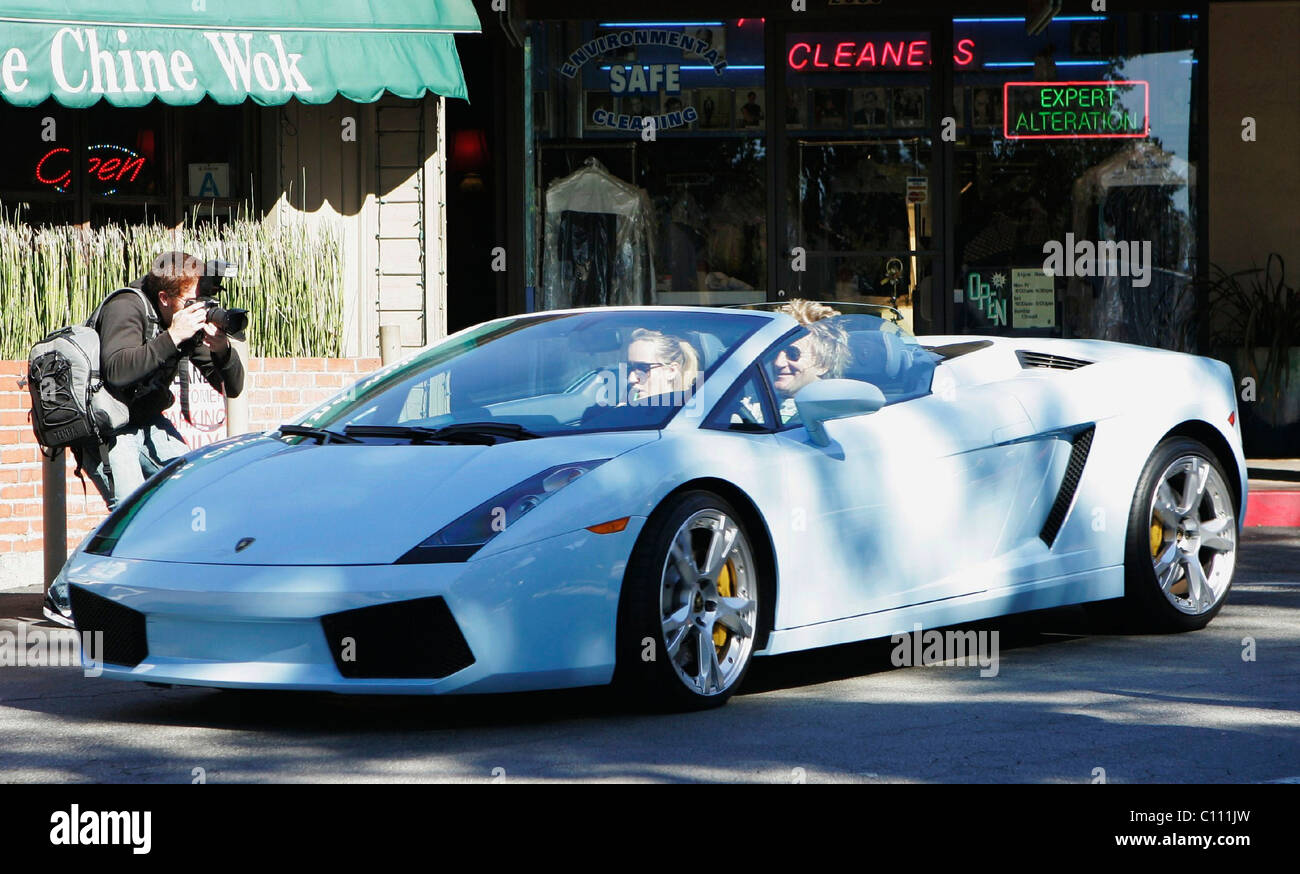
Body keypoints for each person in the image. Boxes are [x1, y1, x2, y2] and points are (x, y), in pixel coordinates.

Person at [43, 251, 245, 627]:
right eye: (190, 302)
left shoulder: (181, 321)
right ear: (166, 298)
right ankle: (63, 595)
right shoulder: (127, 307)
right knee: (130, 513)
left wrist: (221, 349)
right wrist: (173, 336)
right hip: (109, 427)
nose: (197, 309)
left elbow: (230, 386)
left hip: (148, 422)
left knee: (194, 487)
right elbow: (119, 371)